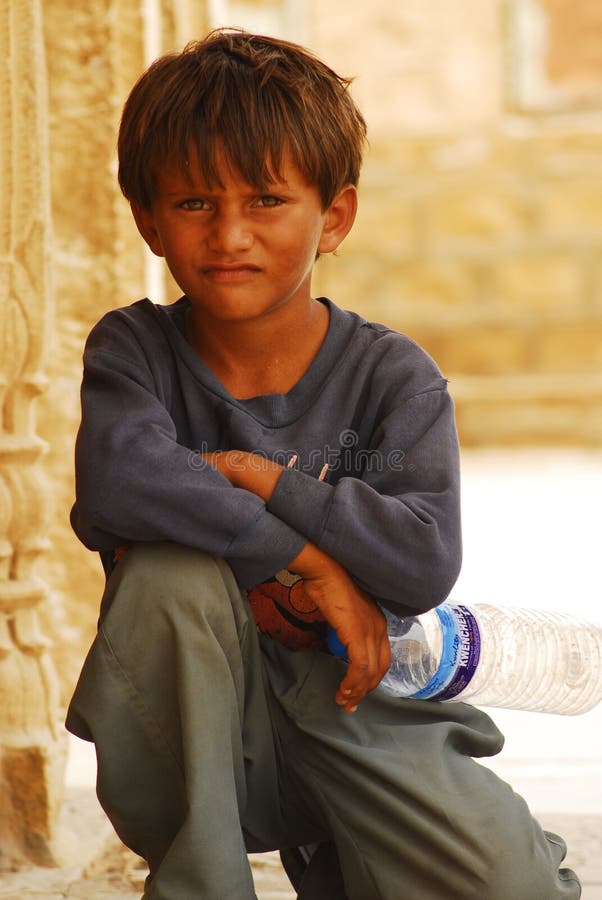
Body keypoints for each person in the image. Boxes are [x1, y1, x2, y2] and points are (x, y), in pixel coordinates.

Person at [65, 28, 581, 900]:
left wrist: (268, 479)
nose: (230, 233)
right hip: (197, 721)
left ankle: (353, 850)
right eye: (194, 204)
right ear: (148, 220)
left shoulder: (392, 375)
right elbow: (119, 481)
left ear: (333, 217)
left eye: (267, 200)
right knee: (166, 572)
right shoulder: (135, 350)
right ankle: (203, 882)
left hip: (358, 695)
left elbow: (420, 560)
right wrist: (304, 561)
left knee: (509, 884)